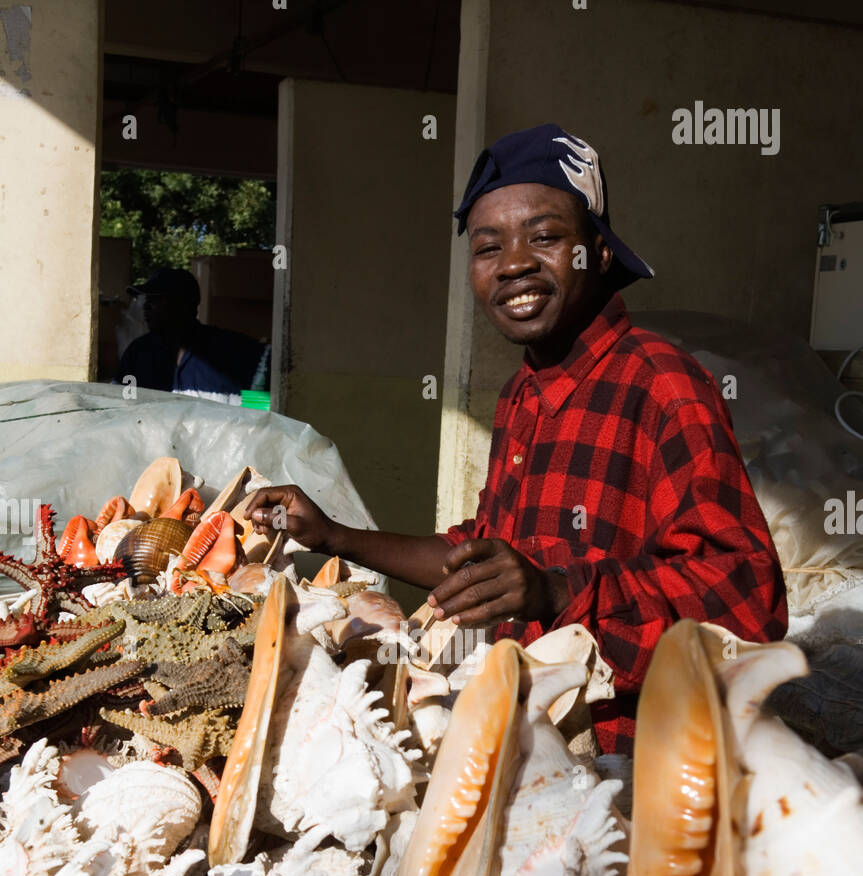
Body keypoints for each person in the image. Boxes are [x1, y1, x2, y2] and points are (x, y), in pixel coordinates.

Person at [245, 124, 787, 753]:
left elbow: (747, 598)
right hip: (526, 745)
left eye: (545, 236)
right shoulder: (524, 394)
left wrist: (558, 591)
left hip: (631, 762)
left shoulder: (661, 383)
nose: (513, 263)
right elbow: (486, 557)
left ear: (600, 252)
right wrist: (333, 535)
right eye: (487, 246)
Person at [114, 267, 268, 403]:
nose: (146, 306)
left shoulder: (229, 350)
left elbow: (263, 407)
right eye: (146, 299)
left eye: (157, 299)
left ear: (184, 305)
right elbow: (117, 406)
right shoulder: (138, 353)